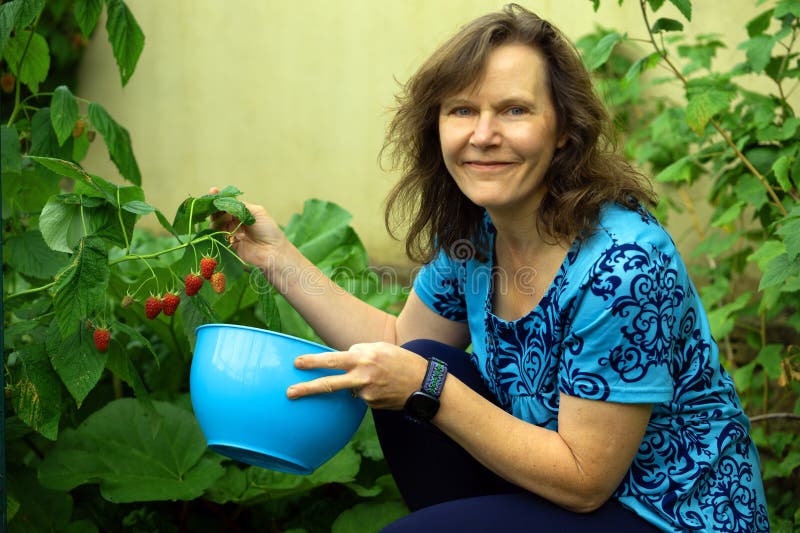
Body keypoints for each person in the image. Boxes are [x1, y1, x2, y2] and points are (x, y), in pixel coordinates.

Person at [212, 4, 769, 531]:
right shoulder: (476, 233)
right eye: (462, 110)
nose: (482, 135)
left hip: (664, 513)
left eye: (514, 110)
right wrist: (273, 257)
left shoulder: (623, 266)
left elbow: (586, 481)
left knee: (423, 393)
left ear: (564, 131)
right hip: (560, 487)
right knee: (422, 357)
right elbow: (400, 341)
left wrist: (428, 388)